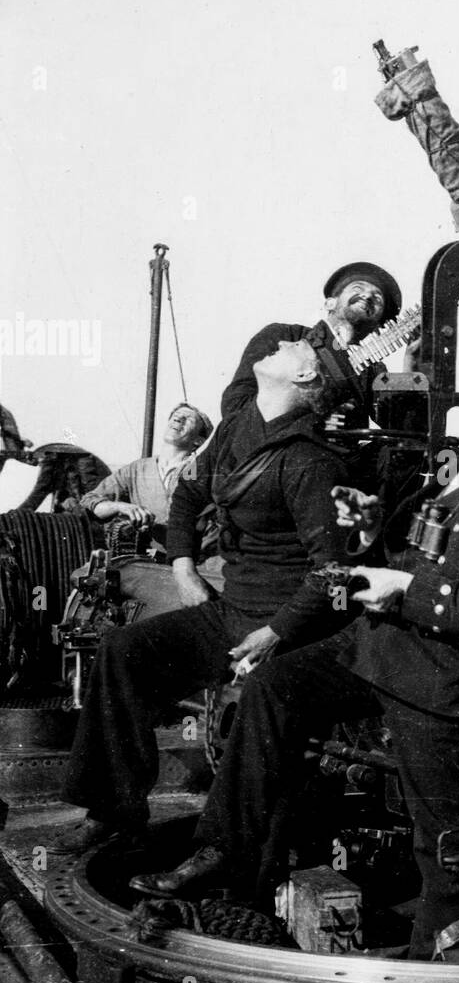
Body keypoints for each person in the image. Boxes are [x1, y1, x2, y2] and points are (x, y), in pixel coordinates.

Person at [128, 341, 459, 961]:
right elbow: (425, 545)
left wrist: (400, 587)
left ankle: (437, 963)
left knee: (447, 844)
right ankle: (229, 858)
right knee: (273, 689)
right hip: (376, 644)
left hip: (439, 676)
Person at [61, 337, 356, 849]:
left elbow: (335, 571)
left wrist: (275, 633)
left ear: (305, 378)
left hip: (285, 627)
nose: (282, 341)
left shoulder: (312, 462)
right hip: (232, 612)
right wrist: (183, 567)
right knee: (122, 651)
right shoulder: (237, 428)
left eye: (297, 346)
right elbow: (191, 495)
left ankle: (223, 849)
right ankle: (113, 812)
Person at [221, 261, 402, 427]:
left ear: (378, 326)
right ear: (330, 303)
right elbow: (236, 405)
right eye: (357, 288)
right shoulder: (283, 336)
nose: (367, 296)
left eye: (377, 299)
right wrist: (312, 423)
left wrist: (413, 364)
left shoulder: (372, 370)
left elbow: (399, 423)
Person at [79, 403, 213, 550]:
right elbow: (90, 501)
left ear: (198, 441)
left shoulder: (202, 471)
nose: (178, 419)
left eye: (188, 419)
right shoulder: (136, 470)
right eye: (176, 416)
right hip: (149, 563)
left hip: (197, 561)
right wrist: (120, 506)